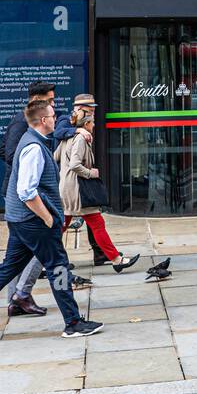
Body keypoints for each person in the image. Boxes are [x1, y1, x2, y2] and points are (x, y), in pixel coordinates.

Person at [0, 100, 102, 341]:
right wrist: (48, 219)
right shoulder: (33, 148)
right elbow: (26, 191)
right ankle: (73, 322)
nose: (56, 119)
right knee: (59, 267)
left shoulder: (32, 141)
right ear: (43, 120)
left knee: (7, 268)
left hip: (19, 221)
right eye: (53, 115)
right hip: (34, 222)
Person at [56, 99, 139, 273]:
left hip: (67, 188)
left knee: (61, 226)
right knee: (97, 224)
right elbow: (75, 165)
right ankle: (116, 259)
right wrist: (90, 172)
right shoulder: (79, 138)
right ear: (86, 123)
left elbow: (55, 156)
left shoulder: (67, 138)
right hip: (79, 190)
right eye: (92, 122)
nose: (94, 125)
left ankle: (42, 260)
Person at [54, 92, 111, 266]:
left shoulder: (83, 127)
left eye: (93, 109)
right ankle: (49, 259)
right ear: (79, 109)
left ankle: (101, 254)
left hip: (73, 181)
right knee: (84, 219)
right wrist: (78, 130)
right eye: (89, 109)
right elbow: (59, 133)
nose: (93, 112)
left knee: (91, 218)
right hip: (71, 181)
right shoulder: (67, 121)